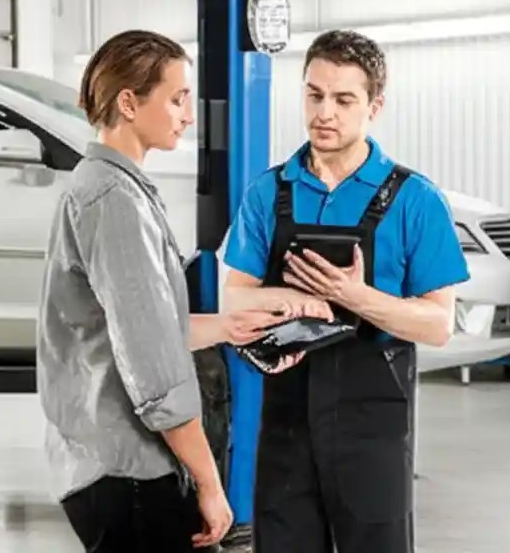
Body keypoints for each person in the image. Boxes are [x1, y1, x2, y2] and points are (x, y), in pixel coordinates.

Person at [37, 29, 329, 553]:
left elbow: (131, 330)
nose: (189, 116)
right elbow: (156, 377)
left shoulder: (104, 187)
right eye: (176, 99)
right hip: (130, 472)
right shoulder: (114, 202)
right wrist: (211, 483)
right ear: (129, 102)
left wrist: (229, 328)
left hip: (103, 463)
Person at [222, 29, 470, 553]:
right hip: (287, 422)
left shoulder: (415, 200)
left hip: (373, 425)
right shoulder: (269, 192)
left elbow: (439, 325)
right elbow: (232, 299)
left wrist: (354, 296)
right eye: (314, 95)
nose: (324, 113)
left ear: (374, 106)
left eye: (343, 99)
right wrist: (294, 304)